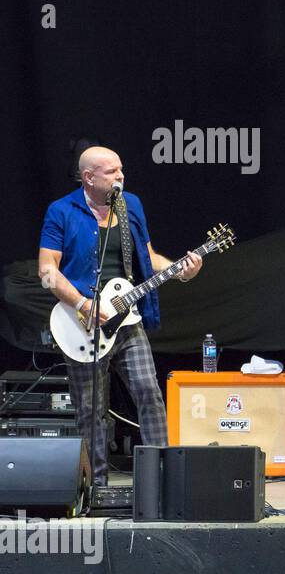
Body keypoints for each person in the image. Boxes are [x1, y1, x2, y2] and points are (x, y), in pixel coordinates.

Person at [38, 146, 203, 488]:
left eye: (121, 169)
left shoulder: (132, 206)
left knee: (148, 392)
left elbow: (148, 257)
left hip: (128, 322)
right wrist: (83, 304)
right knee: (91, 410)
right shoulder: (62, 211)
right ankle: (94, 486)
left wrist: (181, 271)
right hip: (81, 325)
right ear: (89, 177)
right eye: (112, 171)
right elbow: (47, 272)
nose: (121, 176)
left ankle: (163, 480)